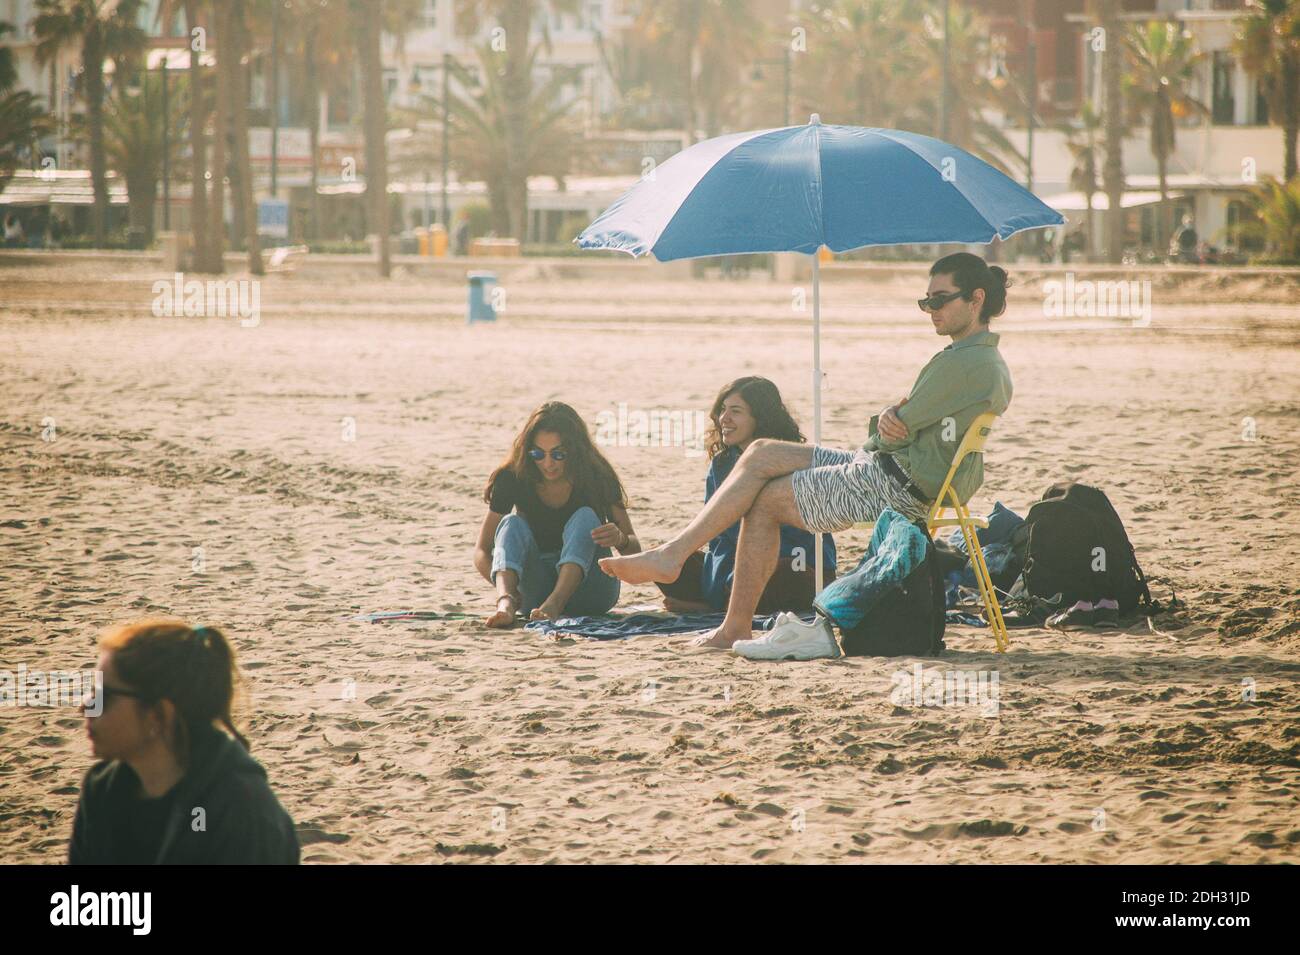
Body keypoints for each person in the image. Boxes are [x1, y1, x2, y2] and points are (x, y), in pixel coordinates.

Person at [600, 252, 1014, 659]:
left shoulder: (966, 364)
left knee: (763, 504)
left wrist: (888, 419)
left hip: (897, 485)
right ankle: (674, 555)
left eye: (939, 300)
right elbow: (897, 427)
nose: (931, 310)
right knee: (763, 450)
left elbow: (893, 433)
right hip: (886, 469)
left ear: (975, 299)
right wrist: (888, 421)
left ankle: (729, 623)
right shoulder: (975, 360)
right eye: (926, 302)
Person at [70, 619, 300, 864]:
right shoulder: (102, 790)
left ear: (158, 714)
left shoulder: (242, 812)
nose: (84, 707)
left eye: (103, 697)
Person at [656, 376, 836, 615]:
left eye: (736, 411)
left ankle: (712, 608)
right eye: (723, 410)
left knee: (787, 575)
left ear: (759, 417)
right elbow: (717, 533)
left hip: (791, 562)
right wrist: (724, 576)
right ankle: (719, 601)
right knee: (670, 560)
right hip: (732, 562)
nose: (724, 419)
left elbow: (797, 535)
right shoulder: (722, 464)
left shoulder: (792, 459)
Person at [475, 401, 640, 628]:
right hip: (535, 594)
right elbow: (482, 550)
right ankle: (505, 604)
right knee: (511, 522)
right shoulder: (513, 477)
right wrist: (508, 589)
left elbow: (633, 549)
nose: (548, 463)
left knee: (585, 516)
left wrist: (619, 538)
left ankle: (557, 602)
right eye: (538, 454)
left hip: (592, 591)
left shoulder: (596, 475)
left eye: (558, 454)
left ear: (575, 450)